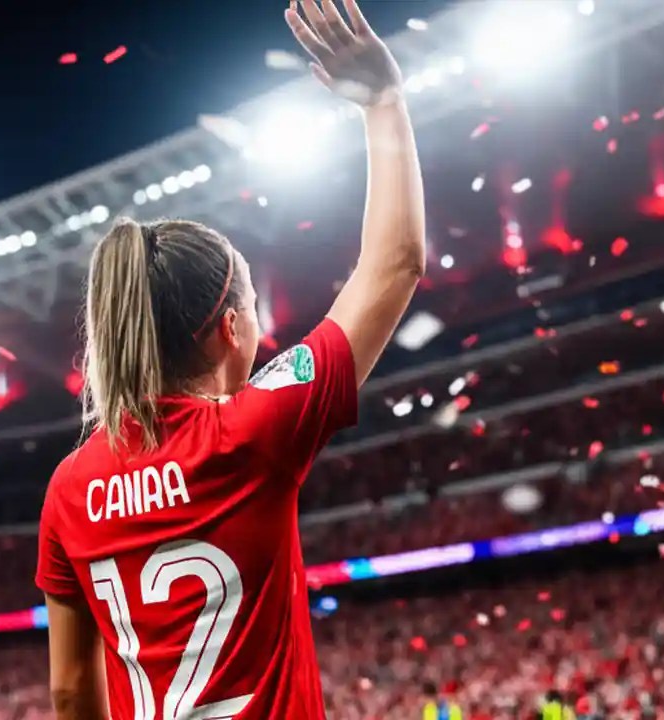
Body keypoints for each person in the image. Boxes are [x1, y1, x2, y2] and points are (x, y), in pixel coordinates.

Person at [35, 0, 424, 717]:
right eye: (254, 313)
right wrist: (384, 100)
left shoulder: (69, 486)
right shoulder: (253, 430)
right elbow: (394, 263)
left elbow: (69, 689)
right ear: (229, 327)